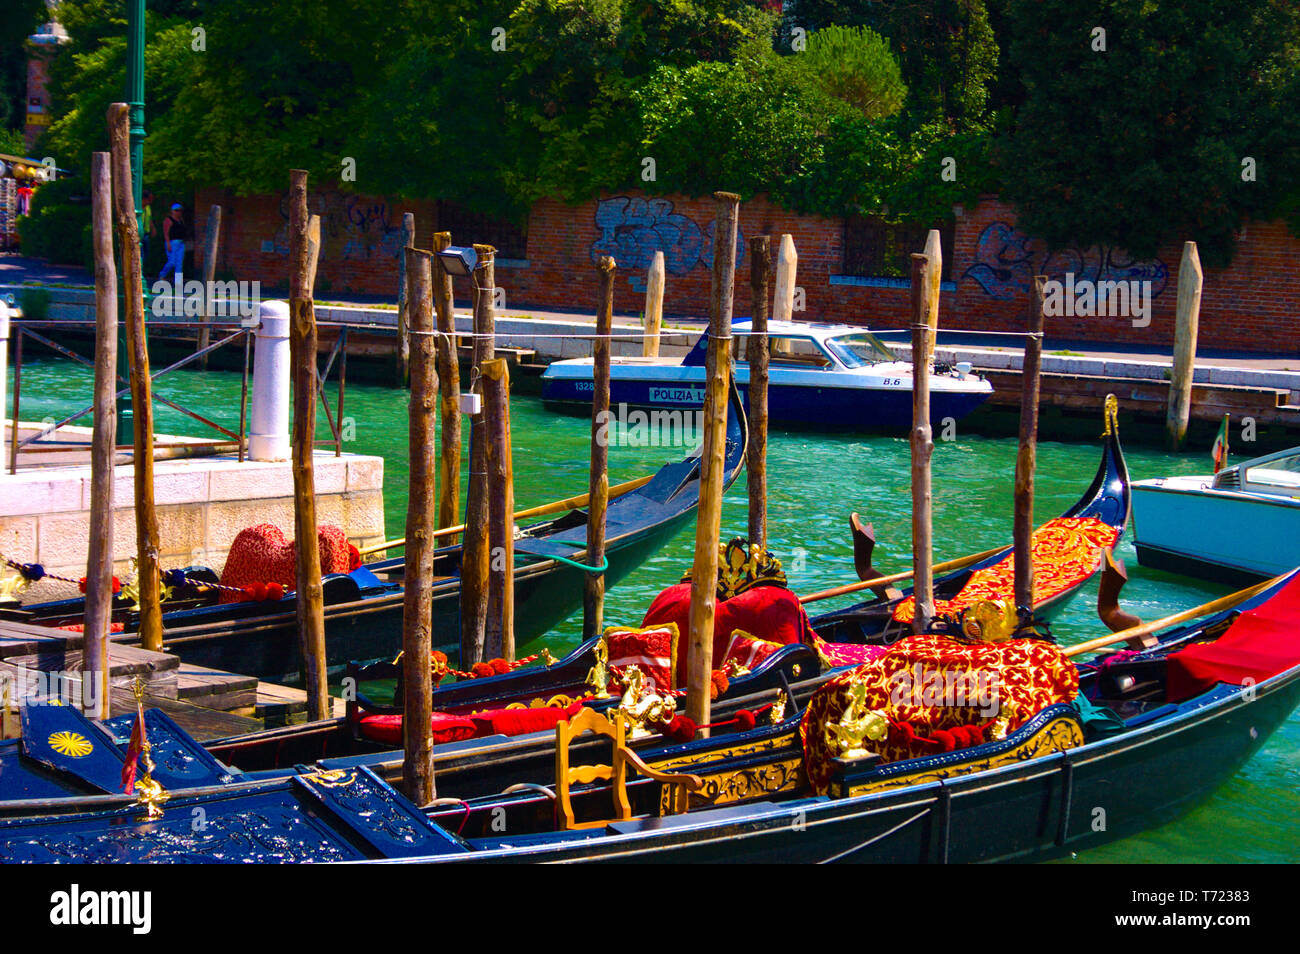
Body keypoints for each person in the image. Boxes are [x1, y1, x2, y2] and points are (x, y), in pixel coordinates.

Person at [160, 202, 188, 280]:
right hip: (172, 243)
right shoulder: (169, 220)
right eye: (176, 210)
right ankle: (162, 274)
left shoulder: (181, 220)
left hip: (181, 243)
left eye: (180, 211)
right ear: (173, 211)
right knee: (172, 262)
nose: (178, 212)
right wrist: (168, 243)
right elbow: (166, 232)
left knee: (179, 264)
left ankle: (178, 283)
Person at [141, 190, 154, 261]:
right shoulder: (138, 207)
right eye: (150, 199)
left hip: (146, 234)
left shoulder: (148, 207)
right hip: (139, 233)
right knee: (141, 254)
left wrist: (153, 228)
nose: (151, 201)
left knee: (146, 254)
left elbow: (150, 218)